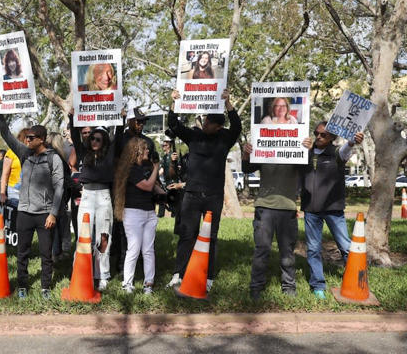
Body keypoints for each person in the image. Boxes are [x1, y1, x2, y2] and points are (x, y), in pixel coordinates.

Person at [167, 89, 240, 291]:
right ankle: (178, 275)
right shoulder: (194, 136)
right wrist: (173, 102)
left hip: (213, 196)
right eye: (205, 120)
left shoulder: (225, 138)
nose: (204, 123)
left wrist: (228, 103)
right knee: (186, 235)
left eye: (209, 122)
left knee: (211, 237)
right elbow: (173, 125)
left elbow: (237, 126)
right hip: (191, 195)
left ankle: (208, 279)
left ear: (218, 127)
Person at [0, 100, 63, 299]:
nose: (27, 140)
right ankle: (23, 285)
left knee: (45, 254)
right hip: (24, 212)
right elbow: (6, 134)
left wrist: (53, 213)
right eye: (26, 137)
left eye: (31, 138)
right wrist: (0, 112)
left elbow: (59, 186)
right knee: (22, 252)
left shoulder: (53, 158)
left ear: (41, 139)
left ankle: (45, 287)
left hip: (44, 214)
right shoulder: (24, 154)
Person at [299, 122, 363, 300]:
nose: (318, 137)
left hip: (333, 210)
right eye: (316, 133)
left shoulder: (336, 153)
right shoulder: (307, 152)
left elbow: (347, 149)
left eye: (323, 135)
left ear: (332, 138)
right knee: (313, 249)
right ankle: (318, 285)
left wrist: (352, 141)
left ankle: (357, 280)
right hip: (311, 209)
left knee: (346, 247)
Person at [69, 110, 124, 291]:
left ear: (104, 142)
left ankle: (102, 276)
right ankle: (80, 273)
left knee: (103, 237)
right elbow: (76, 137)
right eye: (92, 138)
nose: (94, 142)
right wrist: (71, 116)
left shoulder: (109, 154)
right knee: (83, 237)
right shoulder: (82, 151)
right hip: (86, 196)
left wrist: (121, 118)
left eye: (98, 139)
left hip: (103, 197)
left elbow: (118, 136)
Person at [242, 142, 300, 300]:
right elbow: (246, 169)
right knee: (262, 249)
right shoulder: (263, 146)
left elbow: (306, 169)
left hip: (287, 208)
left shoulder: (296, 147)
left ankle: (289, 287)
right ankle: (256, 288)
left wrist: (306, 151)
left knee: (287, 251)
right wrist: (246, 154)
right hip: (264, 207)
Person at [114, 137, 160, 294]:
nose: (148, 150)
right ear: (137, 151)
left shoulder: (145, 167)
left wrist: (165, 193)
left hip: (149, 212)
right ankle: (127, 283)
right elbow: (147, 186)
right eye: (145, 148)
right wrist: (156, 168)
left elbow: (154, 186)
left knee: (148, 250)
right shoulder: (131, 169)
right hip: (133, 213)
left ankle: (149, 283)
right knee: (134, 248)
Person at [46, 132, 72, 261]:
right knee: (57, 227)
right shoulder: (57, 157)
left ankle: (53, 252)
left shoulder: (45, 155)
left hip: (46, 196)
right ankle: (55, 253)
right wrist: (78, 187)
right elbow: (65, 179)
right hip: (58, 196)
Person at [0, 129, 27, 208]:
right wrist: (2, 193)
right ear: (23, 138)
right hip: (14, 191)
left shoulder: (33, 152)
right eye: (28, 137)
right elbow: (5, 174)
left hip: (29, 192)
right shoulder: (11, 152)